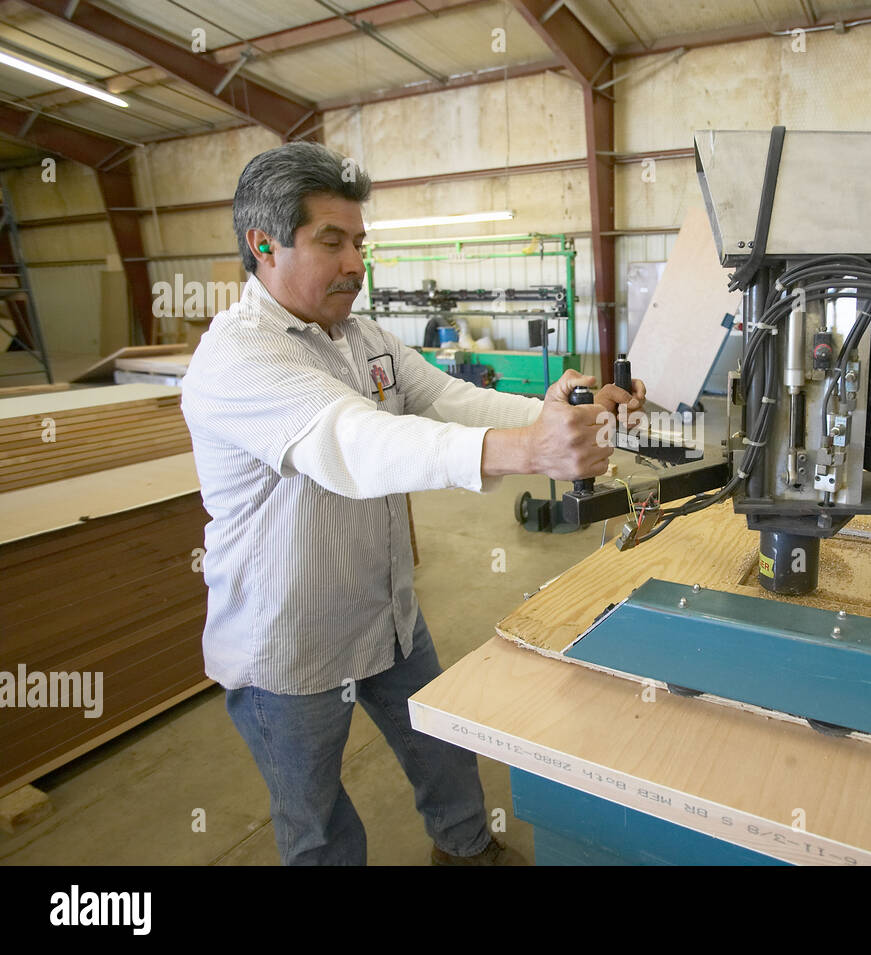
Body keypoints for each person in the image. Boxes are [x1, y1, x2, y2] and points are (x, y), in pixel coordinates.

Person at [180, 142, 645, 865]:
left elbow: (447, 399)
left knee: (442, 747)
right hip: (288, 643)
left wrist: (551, 411)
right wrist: (529, 451)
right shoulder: (240, 358)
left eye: (359, 241)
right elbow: (355, 443)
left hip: (383, 607)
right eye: (330, 241)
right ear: (262, 244)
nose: (353, 263)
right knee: (316, 817)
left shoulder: (361, 335)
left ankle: (464, 848)